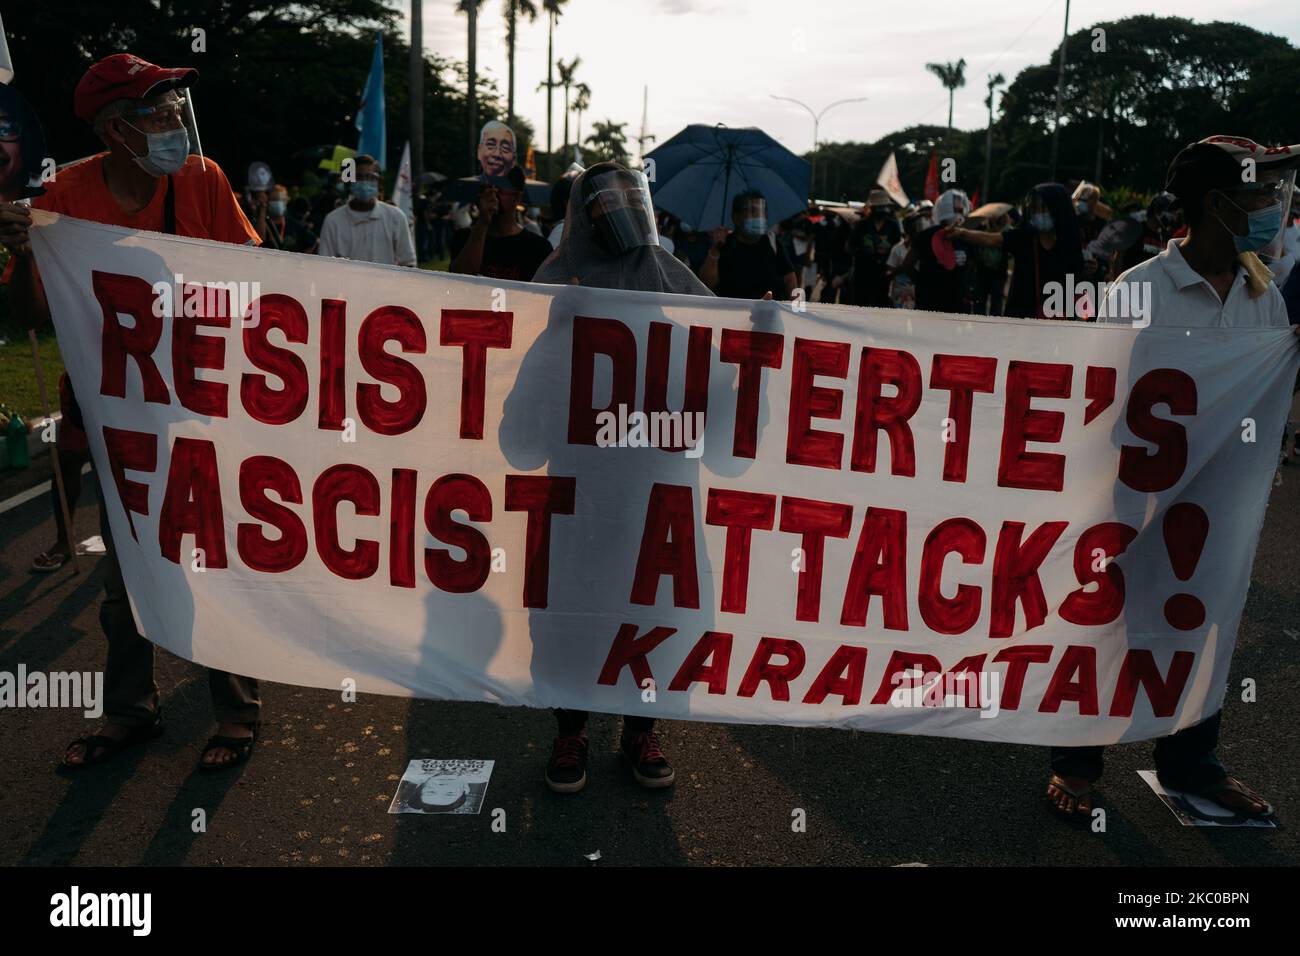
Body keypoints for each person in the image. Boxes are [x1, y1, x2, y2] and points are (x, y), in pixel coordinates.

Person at [0, 53, 263, 770]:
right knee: (127, 579)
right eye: (157, 110)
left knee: (210, 565)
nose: (175, 121)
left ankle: (237, 710)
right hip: (118, 422)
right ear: (115, 130)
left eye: (176, 107)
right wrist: (27, 253)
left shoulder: (201, 182)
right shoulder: (64, 195)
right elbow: (33, 312)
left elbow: (256, 286)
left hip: (200, 410)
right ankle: (129, 712)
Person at [1045, 134, 1300, 822]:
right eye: (1259, 193)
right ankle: (1077, 757)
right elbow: (1098, 401)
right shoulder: (1138, 292)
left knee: (1205, 624)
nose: (1274, 205)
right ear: (1216, 204)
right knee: (1112, 620)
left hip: (1222, 505)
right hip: (1134, 498)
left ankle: (1191, 762)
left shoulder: (1261, 295)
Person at [531, 161, 713, 793]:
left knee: (651, 613)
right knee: (572, 615)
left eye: (626, 201)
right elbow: (518, 436)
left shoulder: (671, 284)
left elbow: (723, 389)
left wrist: (762, 333)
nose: (618, 216)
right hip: (580, 501)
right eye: (604, 204)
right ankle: (570, 730)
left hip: (655, 500)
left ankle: (641, 728)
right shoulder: (558, 291)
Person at [947, 184, 1084, 319]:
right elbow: (991, 240)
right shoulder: (1024, 237)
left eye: (1044, 208)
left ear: (1059, 210)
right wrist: (961, 233)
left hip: (1059, 322)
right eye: (1035, 209)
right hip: (1021, 319)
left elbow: (1078, 283)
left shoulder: (1070, 243)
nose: (1038, 214)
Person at [449, 164, 553, 281]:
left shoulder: (538, 248)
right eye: (485, 188)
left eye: (500, 187)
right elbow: (459, 280)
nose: (492, 194)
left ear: (517, 197)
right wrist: (482, 223)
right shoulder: (463, 238)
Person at [318, 155, 415, 266]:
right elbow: (325, 265)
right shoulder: (333, 220)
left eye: (370, 177)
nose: (365, 182)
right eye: (359, 177)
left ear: (378, 181)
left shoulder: (395, 217)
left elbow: (408, 262)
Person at [700, 190, 797, 299]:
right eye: (753, 211)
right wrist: (715, 249)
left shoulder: (772, 241)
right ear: (737, 218)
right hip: (734, 313)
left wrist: (796, 310)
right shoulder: (723, 245)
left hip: (771, 313)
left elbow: (790, 278)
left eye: (762, 212)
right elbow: (707, 284)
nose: (760, 217)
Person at [899, 188, 972, 313]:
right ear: (945, 210)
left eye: (961, 210)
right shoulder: (926, 236)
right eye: (956, 210)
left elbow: (970, 265)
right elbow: (907, 265)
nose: (959, 215)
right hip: (929, 304)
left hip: (956, 305)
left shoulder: (965, 237)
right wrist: (923, 282)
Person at [848, 189, 901, 307]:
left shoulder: (892, 226)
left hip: (883, 275)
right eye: (878, 207)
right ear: (872, 208)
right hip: (862, 274)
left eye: (883, 206)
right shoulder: (862, 225)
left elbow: (897, 248)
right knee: (860, 306)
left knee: (881, 308)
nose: (881, 210)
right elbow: (850, 246)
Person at [257, 182, 317, 253]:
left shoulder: (294, 225)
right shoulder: (264, 223)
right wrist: (262, 208)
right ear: (268, 202)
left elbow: (314, 241)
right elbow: (260, 238)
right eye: (274, 199)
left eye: (281, 200)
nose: (278, 203)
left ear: (286, 201)